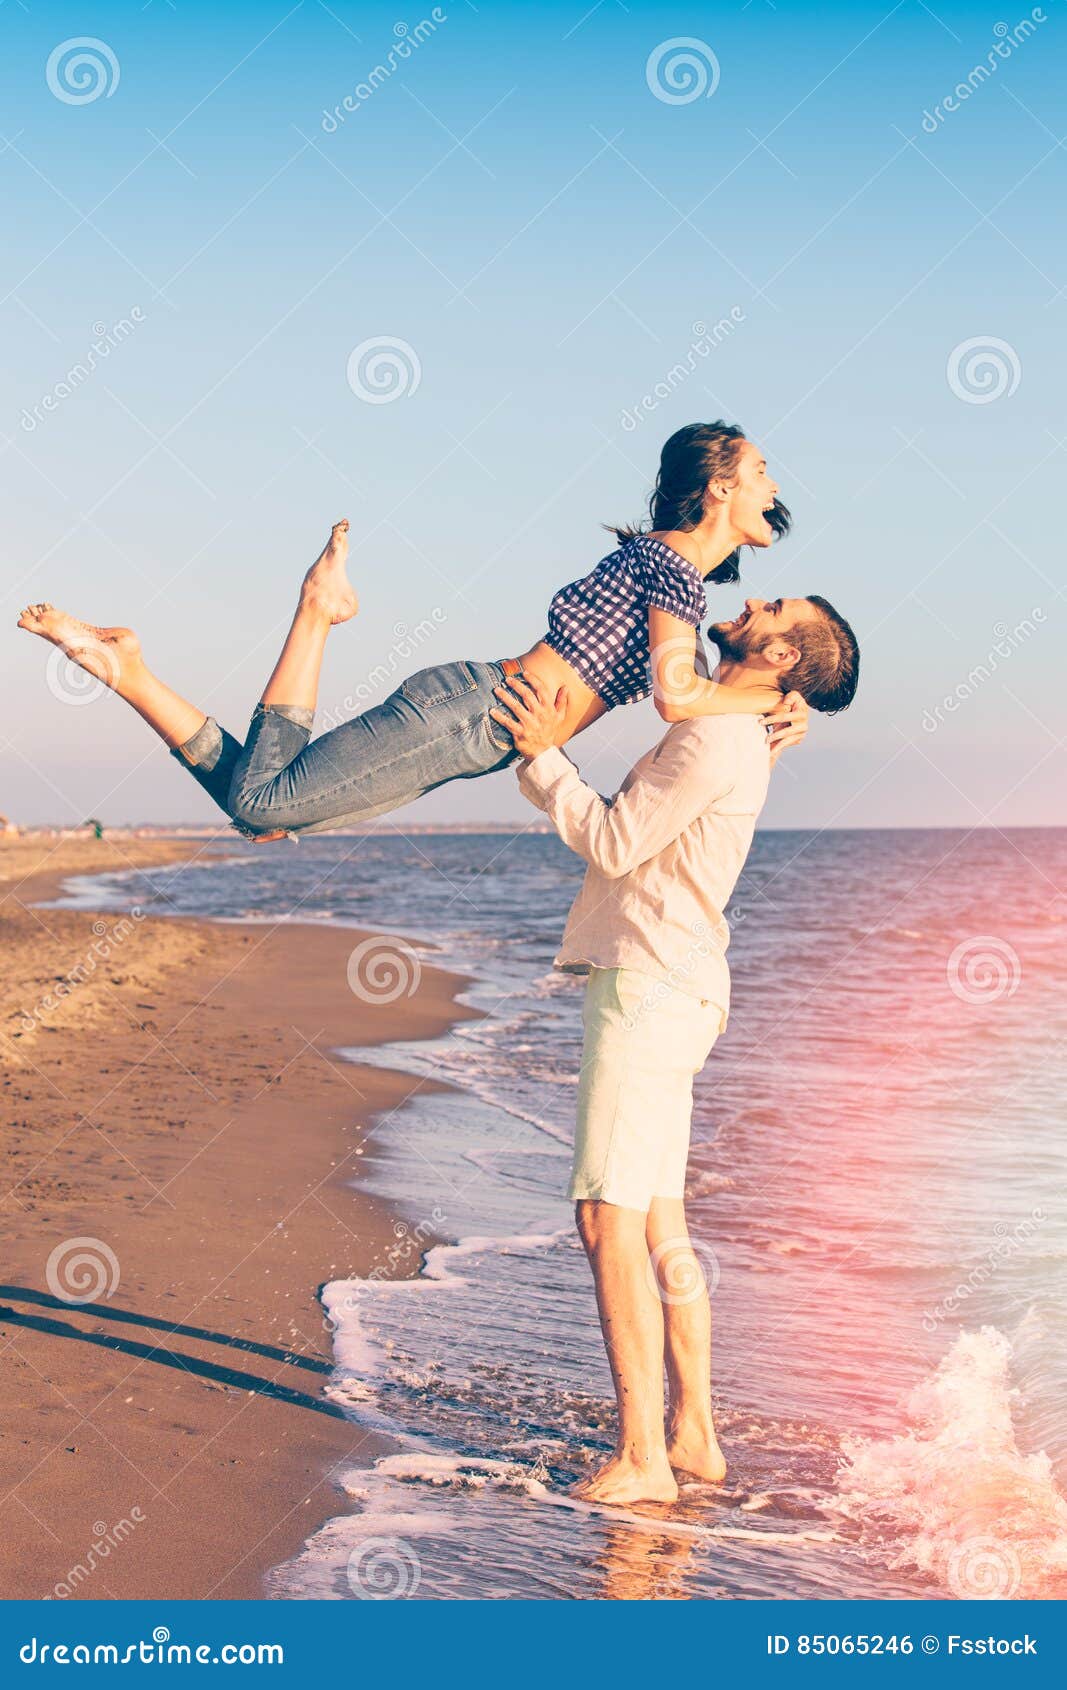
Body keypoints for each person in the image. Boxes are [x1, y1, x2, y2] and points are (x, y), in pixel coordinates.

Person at [489, 594, 860, 1505]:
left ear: (776, 650)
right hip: (681, 987)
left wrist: (539, 755)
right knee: (656, 1221)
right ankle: (692, 1436)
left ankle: (643, 1460)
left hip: (649, 988)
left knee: (605, 1217)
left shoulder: (715, 738)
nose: (749, 600)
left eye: (770, 605)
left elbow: (613, 842)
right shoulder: (735, 728)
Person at [18, 424, 807, 840]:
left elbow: (700, 684)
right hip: (471, 713)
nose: (774, 488)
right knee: (264, 804)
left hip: (473, 729)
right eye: (764, 471)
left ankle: (129, 672)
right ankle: (316, 608)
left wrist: (781, 703)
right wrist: (770, 700)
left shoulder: (674, 585)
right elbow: (679, 696)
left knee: (255, 808)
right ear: (719, 486)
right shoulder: (671, 567)